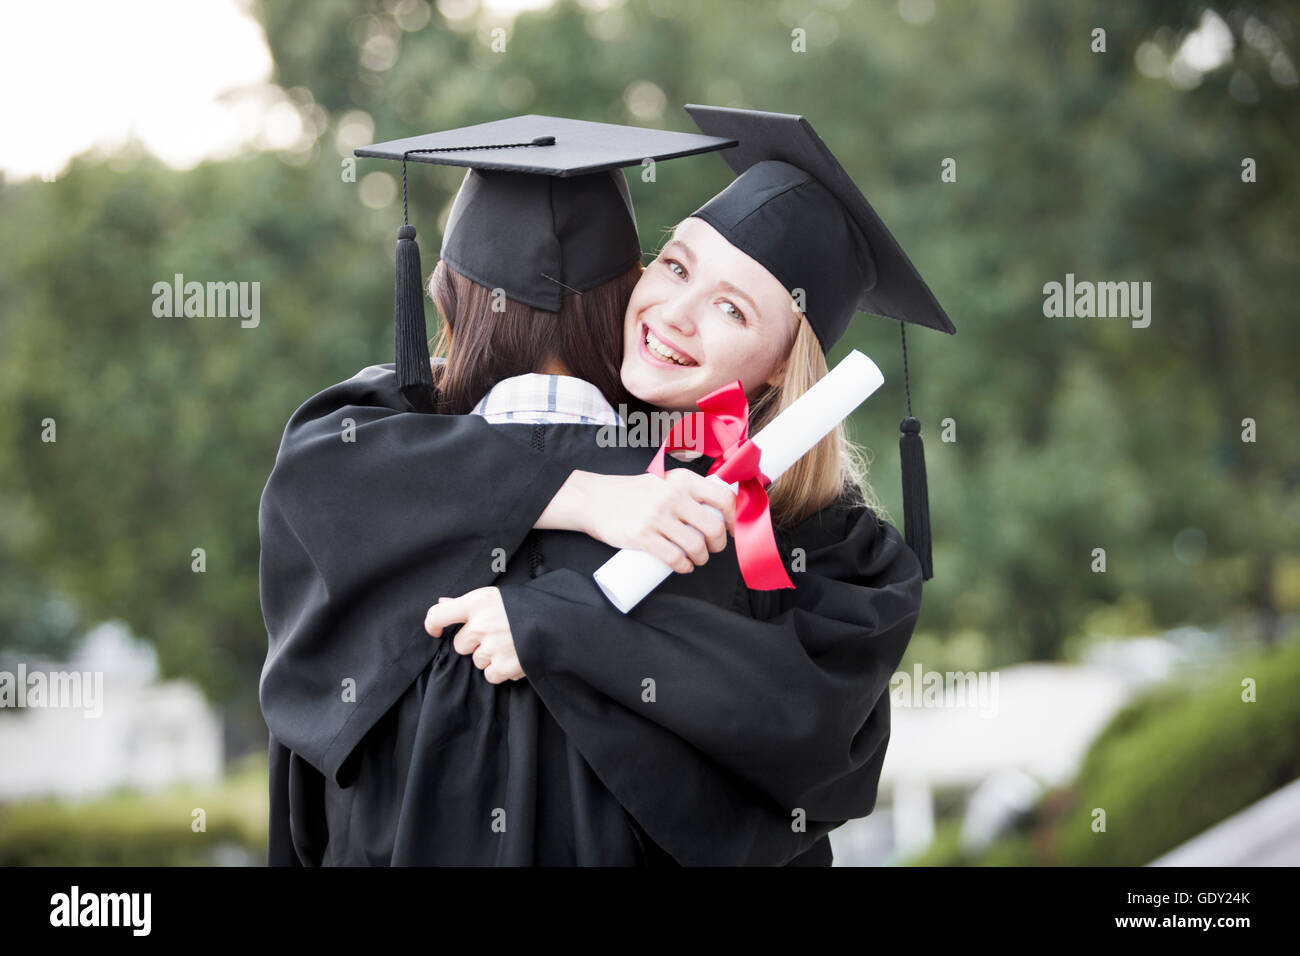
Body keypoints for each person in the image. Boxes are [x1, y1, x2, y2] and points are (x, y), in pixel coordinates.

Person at [259, 109, 954, 865]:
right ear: (633, 279)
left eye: (732, 308)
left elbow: (810, 721)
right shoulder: (366, 456)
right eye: (676, 266)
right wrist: (582, 496)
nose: (677, 315)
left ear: (445, 298)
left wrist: (557, 622)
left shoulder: (788, 542)